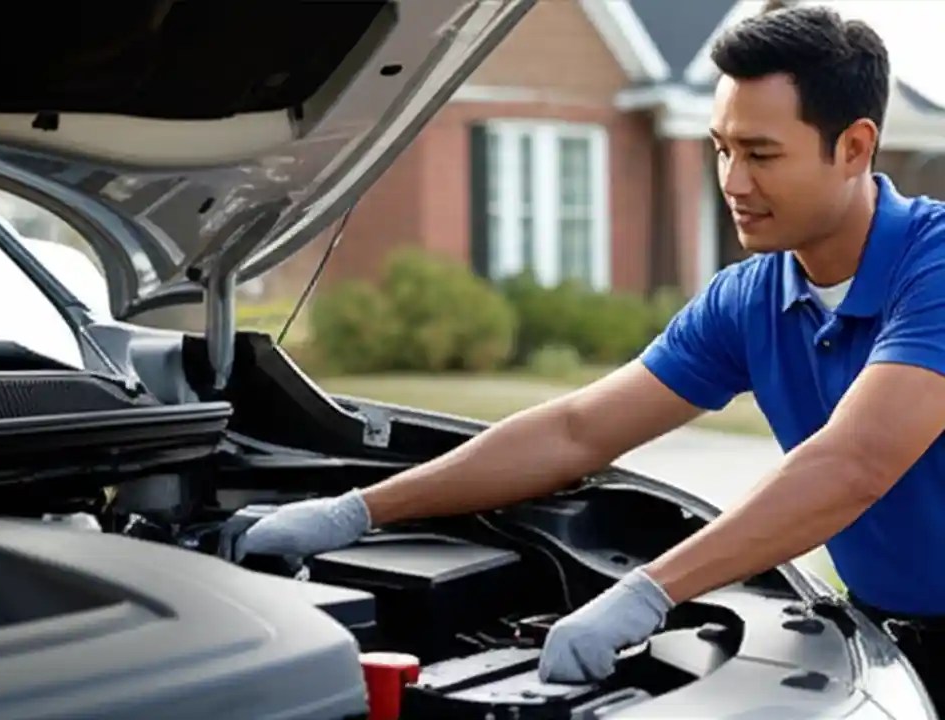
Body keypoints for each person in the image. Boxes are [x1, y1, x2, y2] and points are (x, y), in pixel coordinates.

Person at [234, 3, 945, 706]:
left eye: (761, 154)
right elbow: (577, 430)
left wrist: (649, 590)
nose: (732, 182)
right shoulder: (750, 299)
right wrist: (357, 511)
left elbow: (854, 464)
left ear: (853, 147)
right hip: (886, 634)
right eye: (722, 148)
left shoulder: (934, 265)